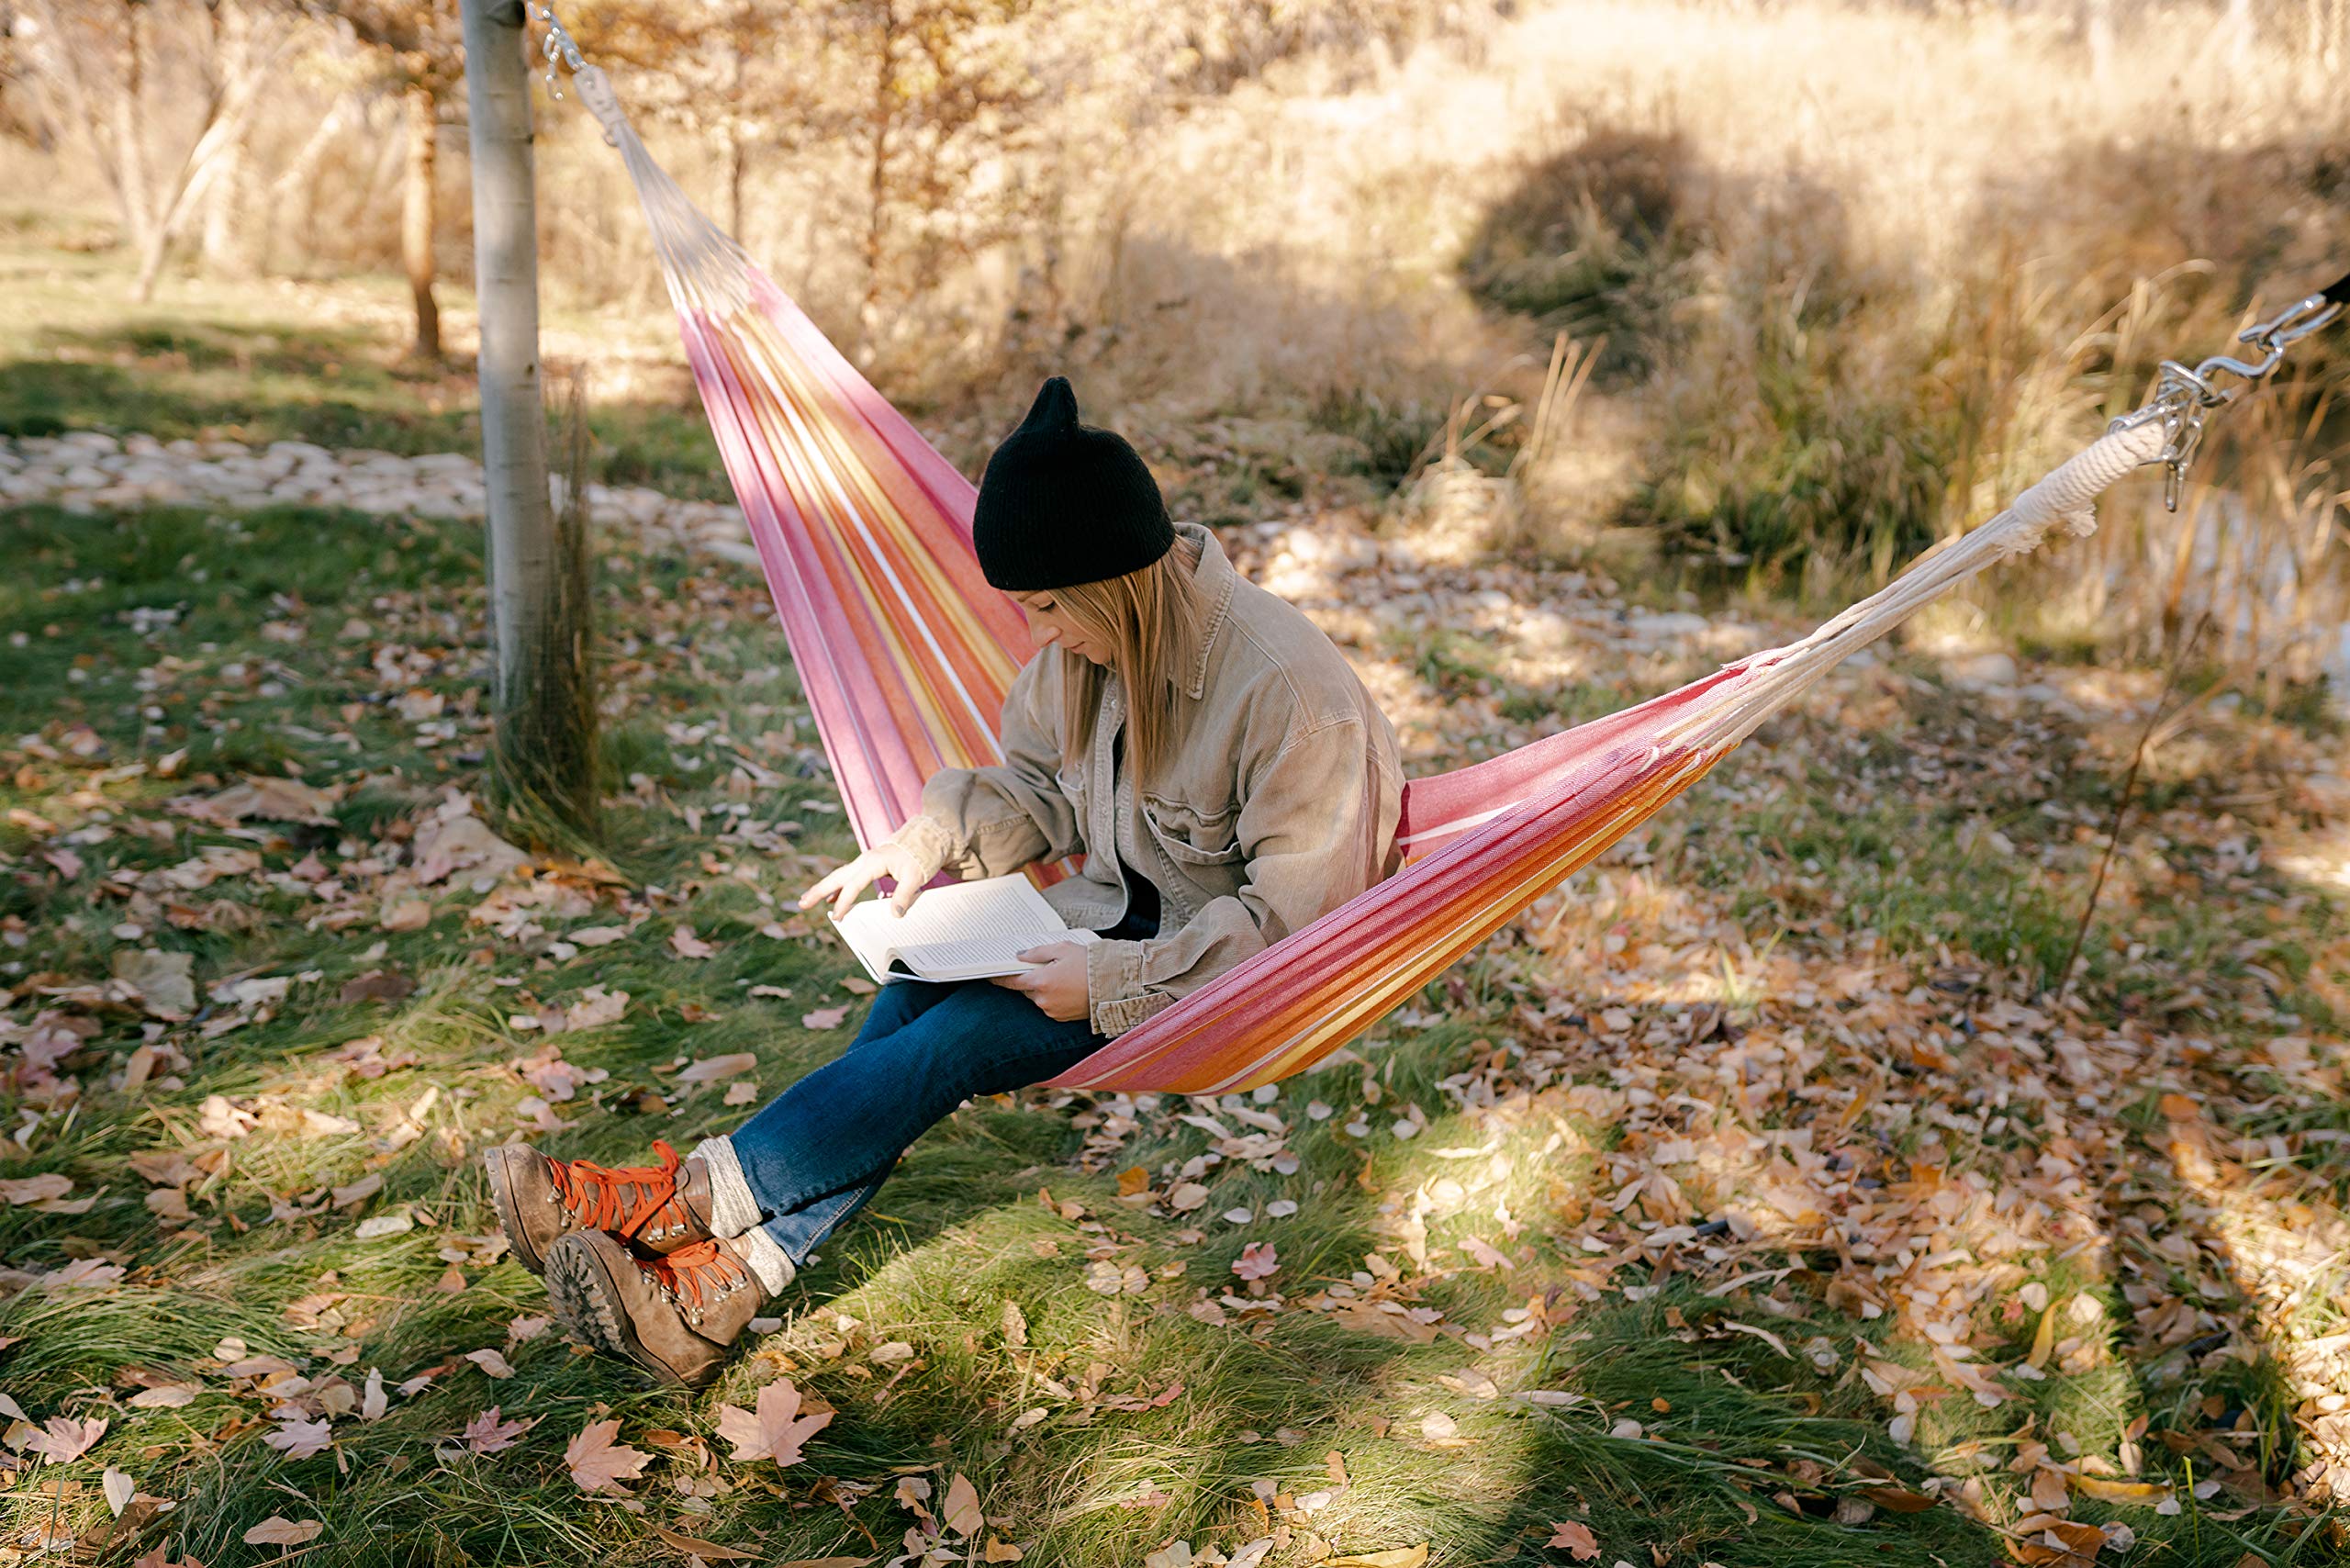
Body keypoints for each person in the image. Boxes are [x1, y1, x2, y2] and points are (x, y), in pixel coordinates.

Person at [483, 376, 1405, 1386]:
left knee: (953, 1042)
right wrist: (931, 837)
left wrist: (1106, 984)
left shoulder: (1287, 692)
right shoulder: (1082, 655)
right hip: (1085, 928)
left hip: (1203, 983)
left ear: (1120, 582)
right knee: (914, 994)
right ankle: (715, 1293)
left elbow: (1296, 931)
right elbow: (1037, 793)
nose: (1040, 633)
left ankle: (668, 1203)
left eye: (1051, 607)